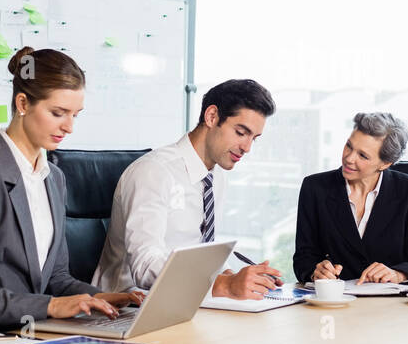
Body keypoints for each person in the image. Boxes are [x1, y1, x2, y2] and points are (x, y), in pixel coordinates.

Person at [0, 47, 137, 333]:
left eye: (76, 115)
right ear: (23, 103)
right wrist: (49, 306)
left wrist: (97, 297)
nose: (69, 127)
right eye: (58, 113)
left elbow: (56, 278)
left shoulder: (54, 179)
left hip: (26, 333)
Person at [93, 79, 282, 300]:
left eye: (254, 138)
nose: (247, 148)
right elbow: (145, 265)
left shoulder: (215, 178)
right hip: (124, 306)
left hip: (183, 302)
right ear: (212, 117)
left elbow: (200, 255)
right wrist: (221, 284)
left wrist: (233, 275)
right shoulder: (154, 172)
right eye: (241, 132)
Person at [293, 112, 408, 284]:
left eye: (362, 155)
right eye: (349, 146)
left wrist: (398, 274)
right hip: (335, 303)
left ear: (385, 164)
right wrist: (316, 272)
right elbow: (303, 258)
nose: (349, 158)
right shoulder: (315, 187)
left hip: (391, 306)